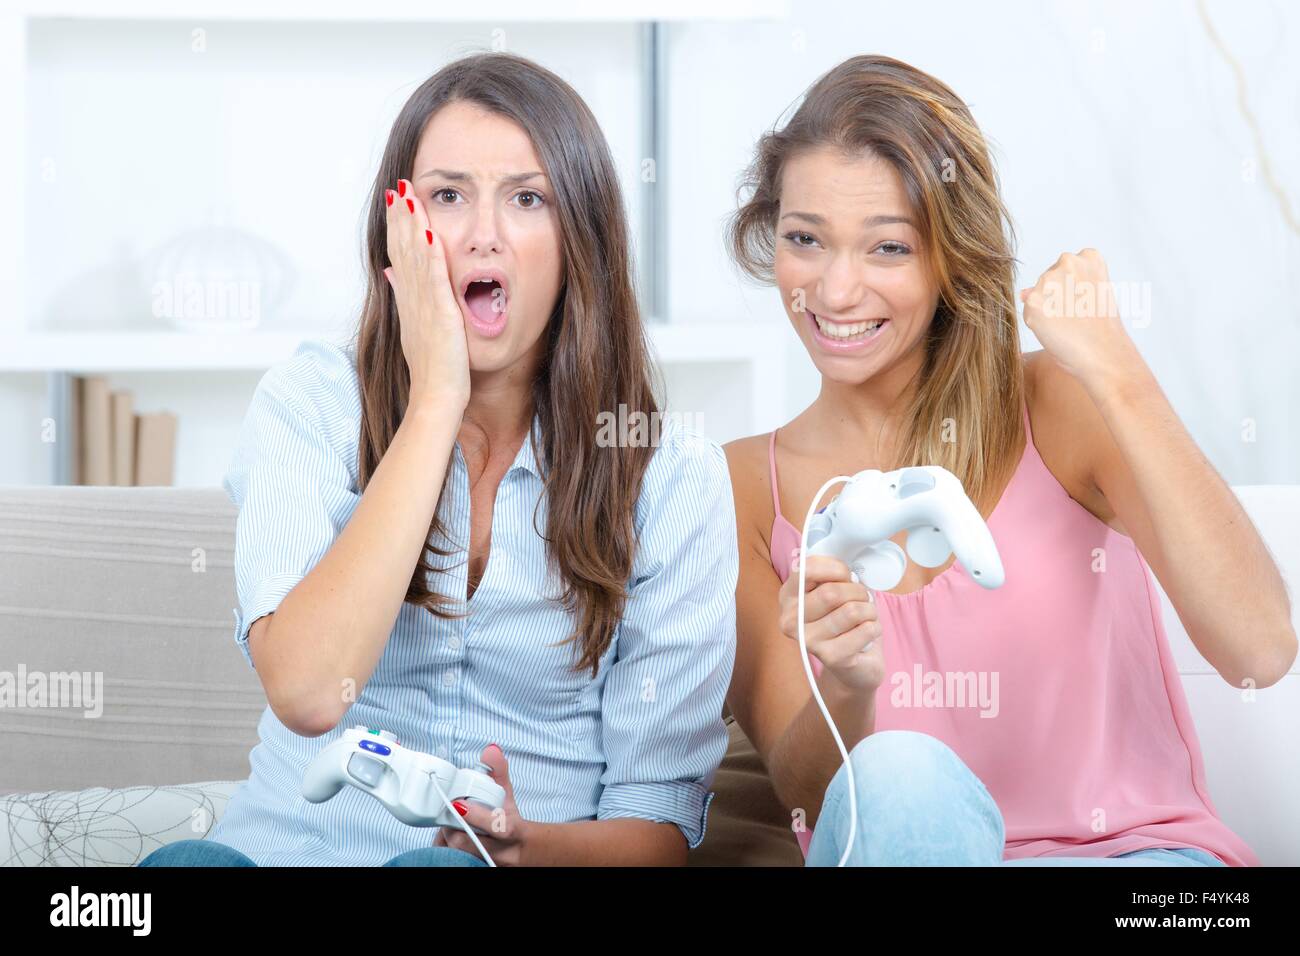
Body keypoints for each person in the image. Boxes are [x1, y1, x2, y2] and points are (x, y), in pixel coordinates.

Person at [140, 52, 736, 867]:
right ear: (399, 231)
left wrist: (527, 846)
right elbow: (311, 692)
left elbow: (658, 831)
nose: (483, 233)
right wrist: (433, 405)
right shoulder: (310, 404)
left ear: (578, 242)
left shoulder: (669, 474)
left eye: (528, 199)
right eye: (448, 196)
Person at [722, 54, 1294, 867]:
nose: (836, 290)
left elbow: (1261, 649)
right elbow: (811, 790)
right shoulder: (743, 490)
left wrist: (1119, 373)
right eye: (804, 240)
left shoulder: (1060, 405)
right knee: (898, 775)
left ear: (953, 257)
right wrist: (849, 685)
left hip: (1140, 868)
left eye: (887, 248)